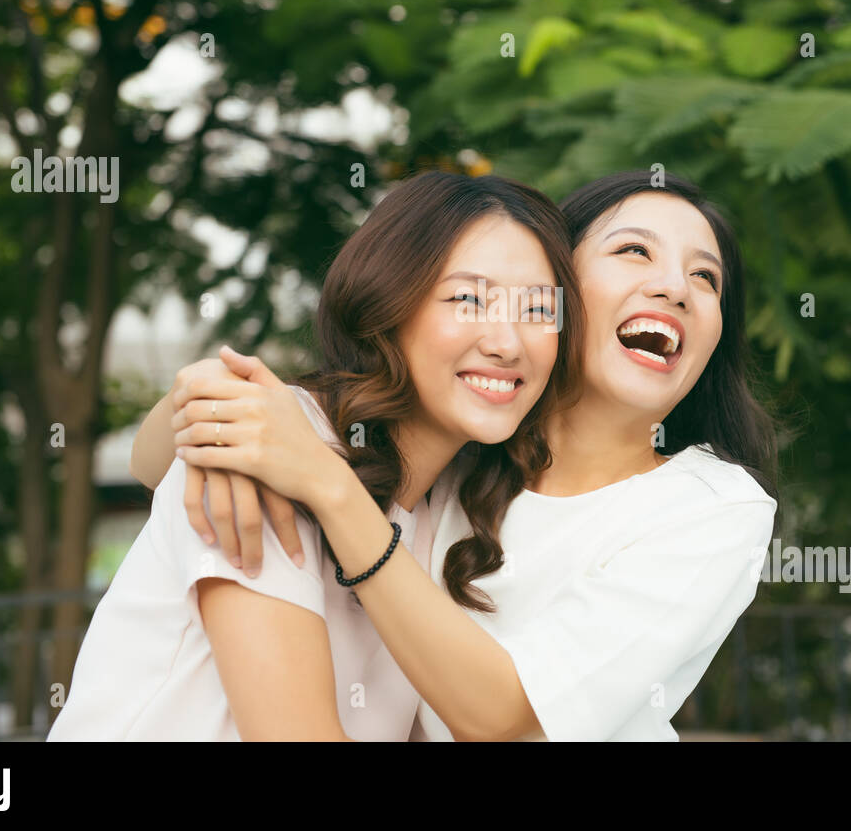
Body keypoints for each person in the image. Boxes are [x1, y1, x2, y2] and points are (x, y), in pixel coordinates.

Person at [158, 170, 781, 740]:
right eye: (633, 250)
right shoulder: (461, 458)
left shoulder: (711, 507)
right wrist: (213, 396)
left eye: (707, 277)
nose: (676, 287)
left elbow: (499, 715)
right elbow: (153, 463)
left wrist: (324, 482)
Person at [46, 171, 584, 740]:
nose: (507, 342)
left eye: (537, 309)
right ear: (389, 304)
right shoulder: (267, 445)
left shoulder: (456, 508)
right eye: (468, 299)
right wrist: (202, 404)